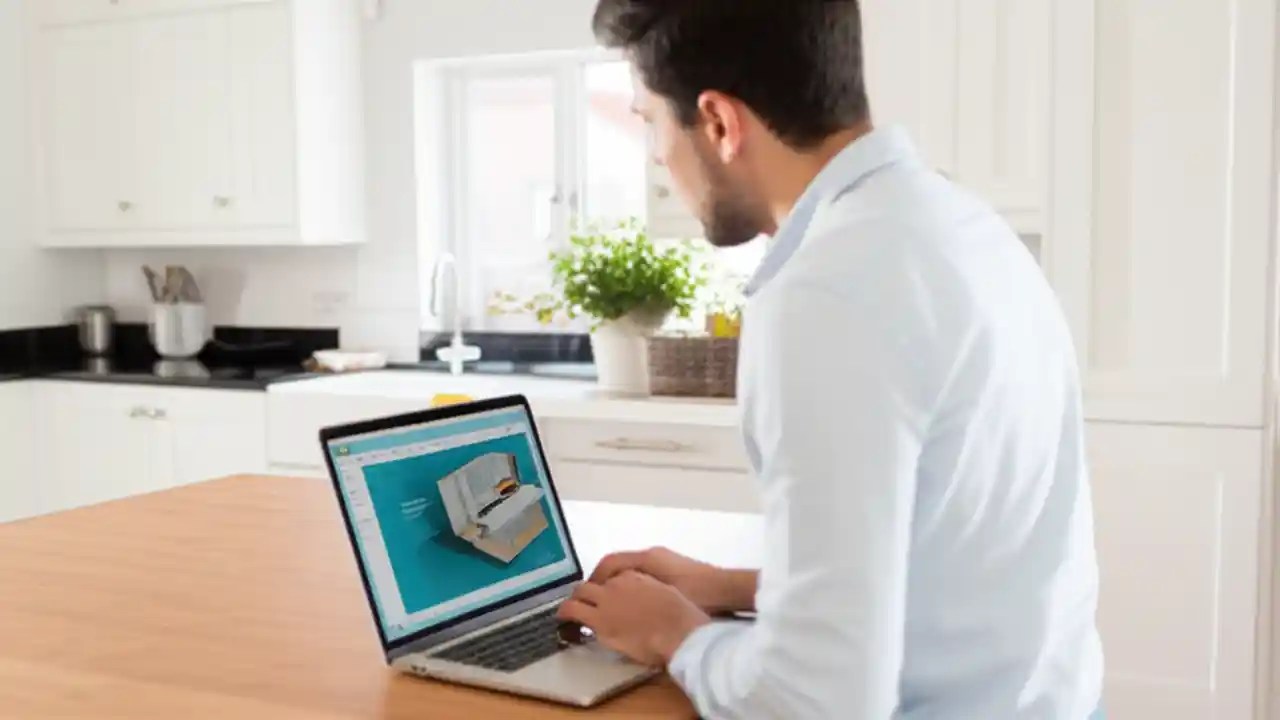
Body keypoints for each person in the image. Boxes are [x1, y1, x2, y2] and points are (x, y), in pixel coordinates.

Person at [556, 1, 1105, 718]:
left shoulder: (826, 293)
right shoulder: (959, 224)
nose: (658, 154)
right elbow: (954, 555)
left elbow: (815, 704)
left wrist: (675, 636)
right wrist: (730, 586)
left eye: (651, 120)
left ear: (719, 123)